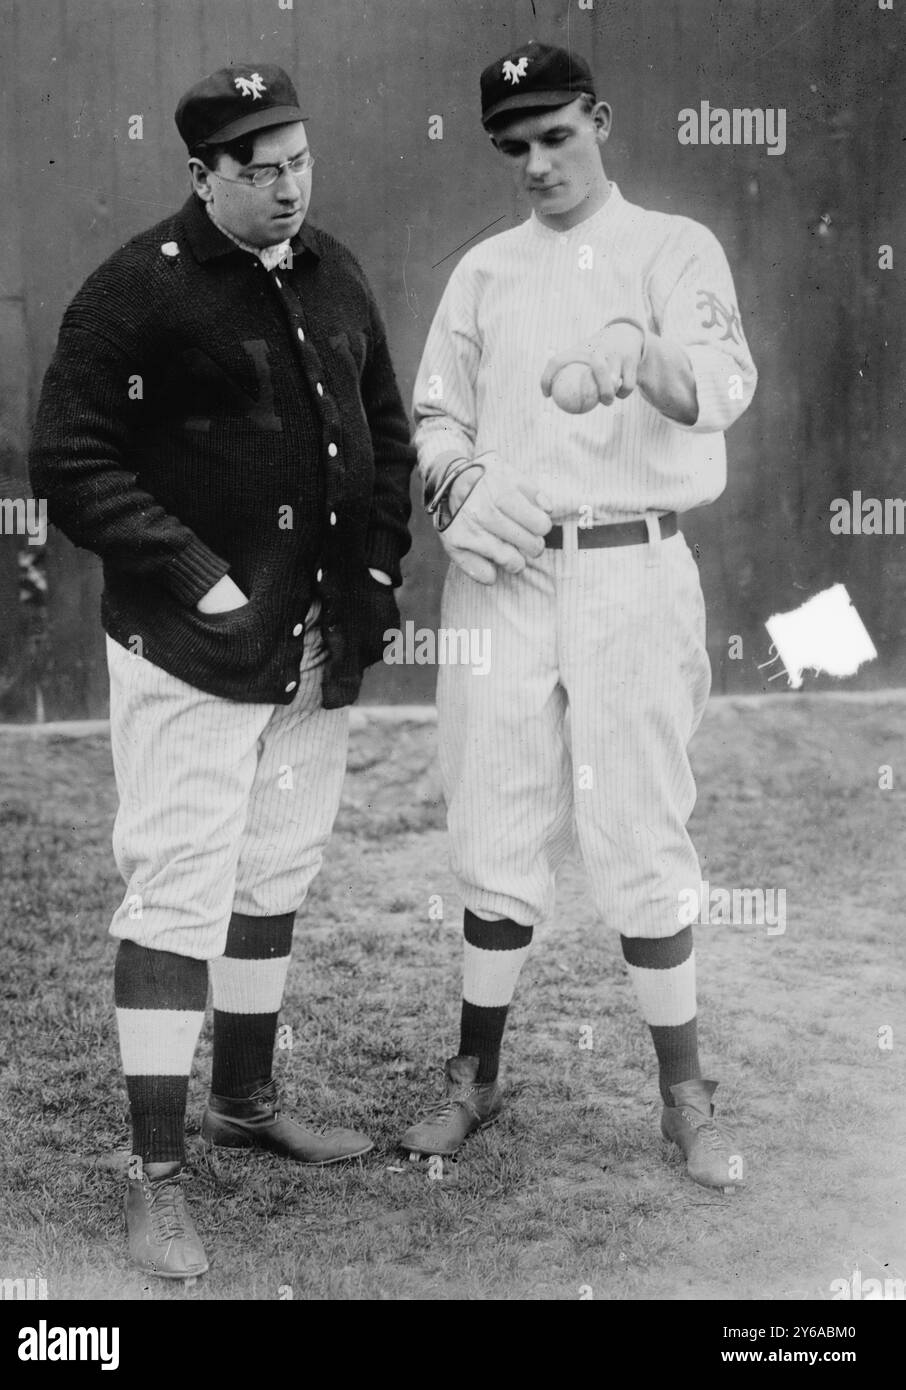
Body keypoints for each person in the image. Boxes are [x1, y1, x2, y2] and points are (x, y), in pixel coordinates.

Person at [28, 62, 414, 1277]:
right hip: (191, 652)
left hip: (312, 649)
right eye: (258, 172)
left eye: (298, 162)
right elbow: (70, 455)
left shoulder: (334, 269)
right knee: (177, 890)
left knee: (275, 868)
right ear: (202, 175)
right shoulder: (137, 293)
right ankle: (153, 1178)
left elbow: (387, 437)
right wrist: (199, 572)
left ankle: (245, 1102)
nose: (287, 188)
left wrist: (376, 580)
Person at [403, 41, 757, 1191]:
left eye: (557, 134)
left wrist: (633, 348)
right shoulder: (482, 272)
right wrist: (456, 481)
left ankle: (683, 1099)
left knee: (641, 828)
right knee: (493, 822)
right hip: (504, 571)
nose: (539, 162)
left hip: (630, 565)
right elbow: (434, 418)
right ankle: (475, 1076)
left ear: (598, 119)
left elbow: (720, 381)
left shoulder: (672, 247)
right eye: (515, 145)